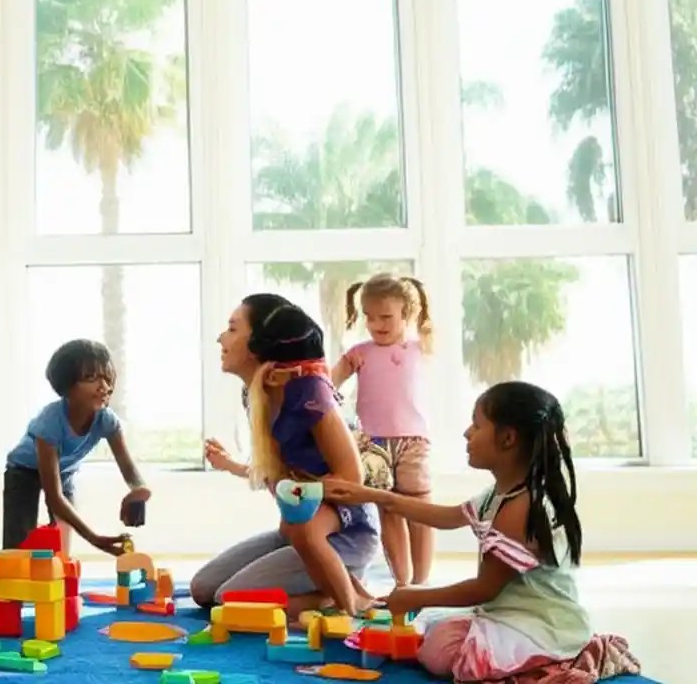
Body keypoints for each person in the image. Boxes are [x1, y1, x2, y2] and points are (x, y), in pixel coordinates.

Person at [325, 381, 640, 682]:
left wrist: (415, 596)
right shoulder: (500, 493)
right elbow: (446, 517)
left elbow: (484, 589)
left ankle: (553, 658)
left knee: (439, 650)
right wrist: (374, 495)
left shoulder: (521, 507)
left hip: (540, 625)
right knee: (431, 627)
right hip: (507, 611)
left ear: (507, 439)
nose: (466, 433)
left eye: (476, 425)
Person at [192, 294, 379, 617]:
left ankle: (338, 593)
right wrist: (232, 466)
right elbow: (276, 471)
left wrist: (304, 514)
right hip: (296, 533)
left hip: (344, 534)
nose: (221, 338)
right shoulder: (256, 395)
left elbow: (352, 478)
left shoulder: (311, 392)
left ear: (260, 344)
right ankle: (330, 584)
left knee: (229, 601)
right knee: (202, 589)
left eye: (233, 329)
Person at [332, 272, 435, 587]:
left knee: (419, 510)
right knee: (389, 510)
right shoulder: (359, 352)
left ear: (407, 313)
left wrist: (419, 300)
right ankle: (402, 583)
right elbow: (328, 383)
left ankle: (422, 582)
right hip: (373, 443)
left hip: (413, 442)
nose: (377, 324)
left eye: (386, 316)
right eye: (370, 317)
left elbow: (430, 324)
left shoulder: (420, 347)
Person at [1, 339, 150, 556]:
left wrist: (139, 489)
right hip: (23, 472)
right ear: (67, 386)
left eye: (107, 378)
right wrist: (94, 539)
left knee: (62, 544)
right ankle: (13, 582)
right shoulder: (50, 422)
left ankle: (59, 582)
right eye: (91, 378)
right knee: (19, 542)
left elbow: (129, 469)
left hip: (64, 474)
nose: (104, 387)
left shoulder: (107, 421)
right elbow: (55, 496)